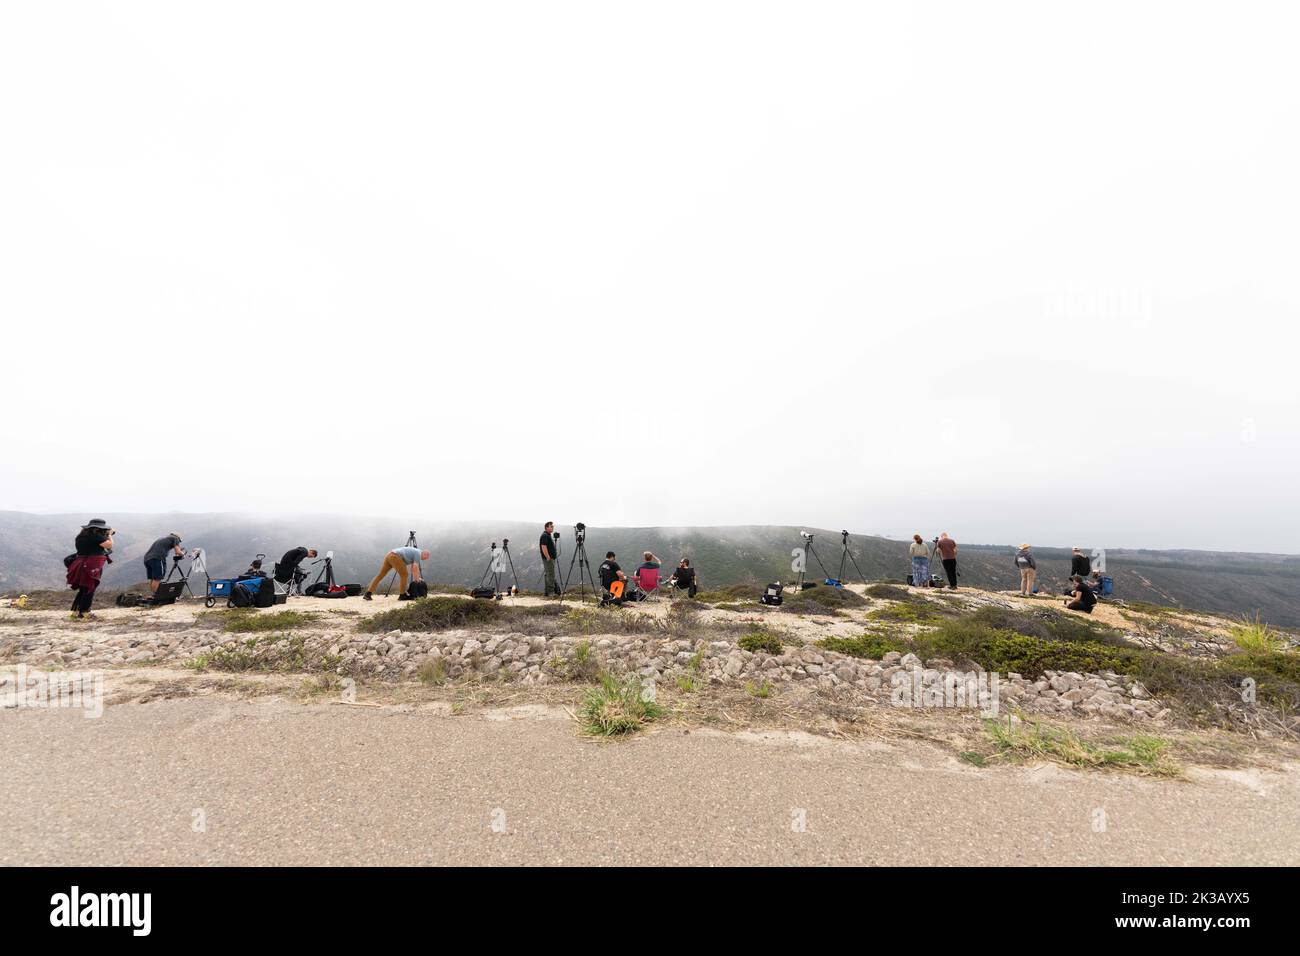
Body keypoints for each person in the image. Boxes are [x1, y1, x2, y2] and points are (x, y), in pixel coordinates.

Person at [67, 519, 114, 619]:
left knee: (84, 587)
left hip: (81, 563)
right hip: (91, 565)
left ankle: (76, 611)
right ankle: (85, 612)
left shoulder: (81, 537)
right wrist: (109, 535)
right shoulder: (95, 536)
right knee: (90, 587)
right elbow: (109, 545)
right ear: (98, 529)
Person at [362, 545, 430, 600]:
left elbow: (413, 568)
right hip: (395, 557)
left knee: (380, 575)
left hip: (389, 555)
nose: (426, 559)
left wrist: (417, 578)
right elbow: (415, 568)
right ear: (425, 554)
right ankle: (402, 595)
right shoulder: (418, 553)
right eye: (426, 557)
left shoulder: (416, 552)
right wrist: (417, 580)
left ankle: (368, 593)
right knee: (404, 575)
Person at [539, 522, 560, 597]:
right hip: (548, 559)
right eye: (551, 526)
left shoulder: (548, 535)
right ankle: (551, 592)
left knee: (548, 574)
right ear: (546, 527)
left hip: (550, 558)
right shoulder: (545, 535)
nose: (552, 527)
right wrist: (548, 556)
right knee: (550, 574)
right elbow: (543, 546)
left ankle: (547, 591)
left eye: (553, 526)